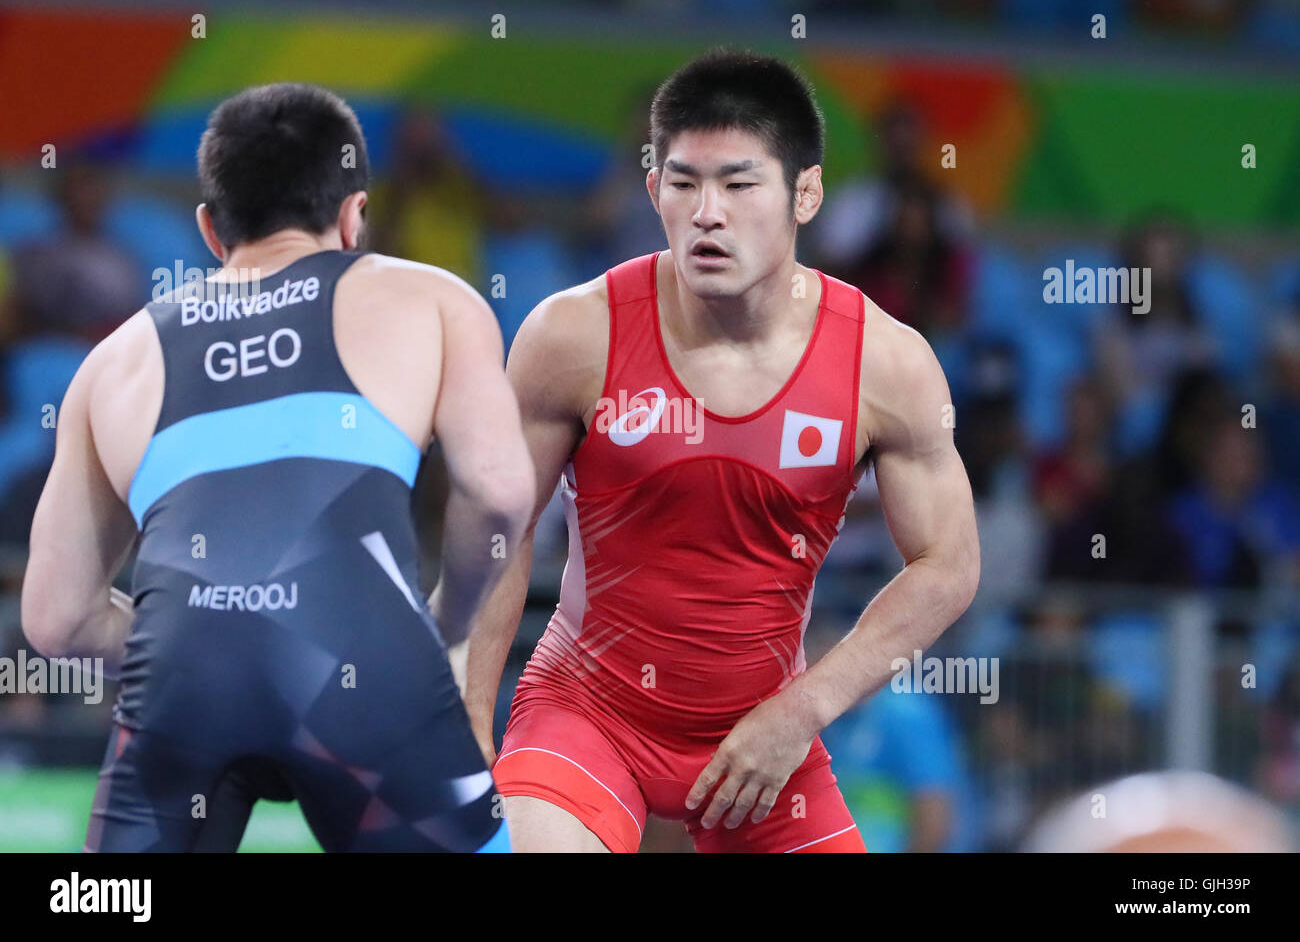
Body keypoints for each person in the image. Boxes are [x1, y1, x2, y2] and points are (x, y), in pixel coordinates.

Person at [464, 49, 980, 853]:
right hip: (586, 714)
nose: (708, 213)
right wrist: (468, 717)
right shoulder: (573, 335)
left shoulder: (886, 364)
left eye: (739, 185)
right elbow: (500, 529)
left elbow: (949, 565)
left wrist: (802, 712)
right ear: (653, 191)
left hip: (765, 743)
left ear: (805, 194)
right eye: (684, 184)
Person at [20, 82, 535, 852]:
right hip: (371, 668)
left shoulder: (113, 361)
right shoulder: (431, 299)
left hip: (181, 694)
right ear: (355, 214)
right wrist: (445, 627)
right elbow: (498, 492)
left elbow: (55, 620)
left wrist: (201, 646)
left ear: (209, 227)